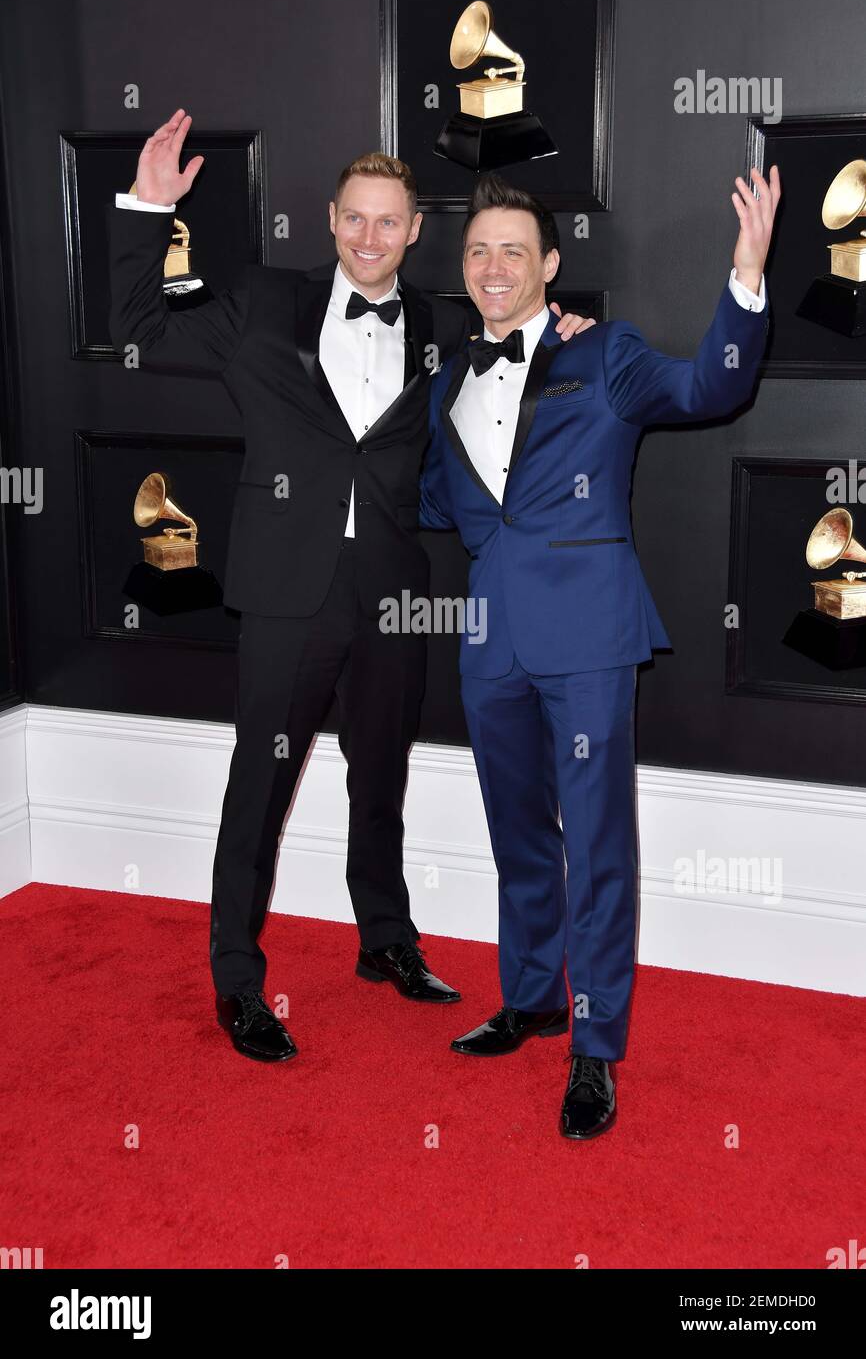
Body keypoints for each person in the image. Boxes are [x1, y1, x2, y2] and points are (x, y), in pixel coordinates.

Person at [107, 110, 593, 1065]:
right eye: (355, 219)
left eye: (391, 223)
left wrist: (560, 325)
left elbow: (522, 338)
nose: (371, 238)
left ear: (415, 234)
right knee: (261, 786)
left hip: (390, 593)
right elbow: (133, 324)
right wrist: (146, 208)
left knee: (381, 778)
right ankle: (238, 983)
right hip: (285, 592)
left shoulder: (449, 328)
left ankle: (385, 940)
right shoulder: (259, 303)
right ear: (331, 221)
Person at [419, 165, 780, 1138]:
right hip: (488, 638)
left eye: (511, 250)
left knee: (597, 843)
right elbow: (432, 503)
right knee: (518, 836)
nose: (492, 266)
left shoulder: (605, 351)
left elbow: (711, 387)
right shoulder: (444, 378)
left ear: (549, 264)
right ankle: (531, 997)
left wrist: (744, 277)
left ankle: (592, 1045)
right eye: (476, 251)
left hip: (585, 635)